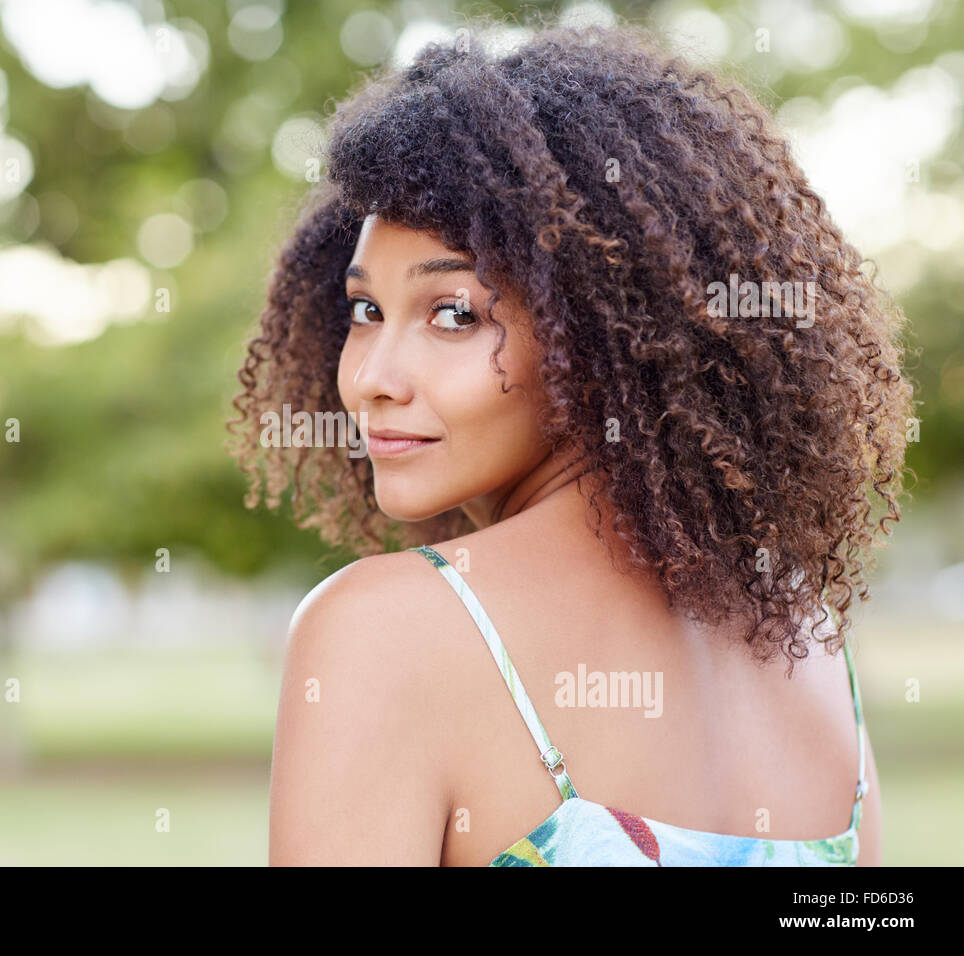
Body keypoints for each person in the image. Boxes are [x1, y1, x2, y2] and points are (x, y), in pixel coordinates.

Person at [228, 19, 912, 866]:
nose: (371, 377)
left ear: (596, 333)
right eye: (366, 311)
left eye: (454, 315)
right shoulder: (805, 633)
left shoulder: (386, 631)